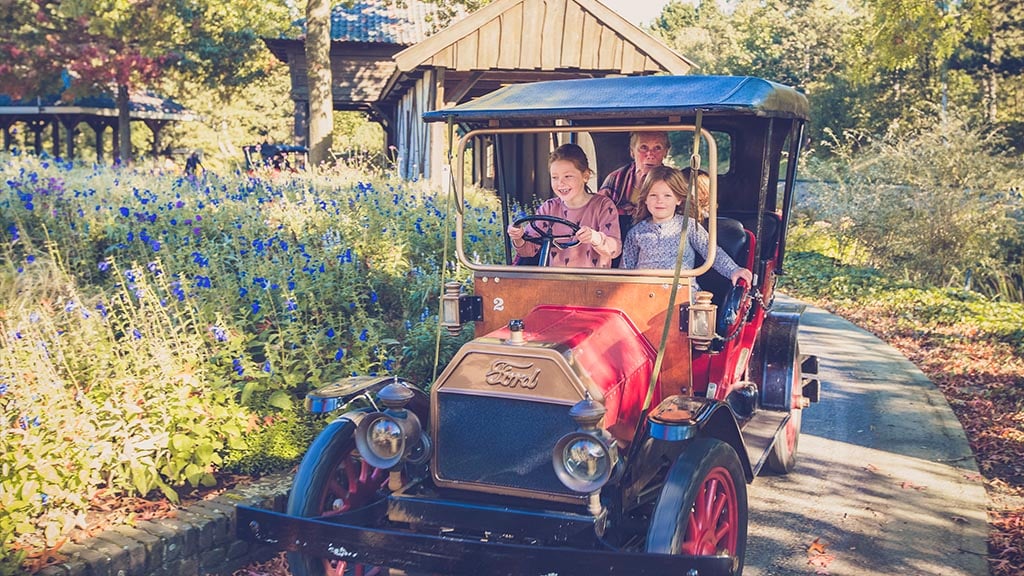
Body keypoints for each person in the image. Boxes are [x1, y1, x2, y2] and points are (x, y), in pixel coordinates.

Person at [622, 166, 752, 290]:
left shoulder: (688, 226)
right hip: (644, 294)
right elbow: (625, 269)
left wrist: (734, 270)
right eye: (653, 195)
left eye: (667, 196)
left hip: (681, 292)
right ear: (645, 199)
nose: (659, 201)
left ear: (678, 199)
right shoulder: (636, 232)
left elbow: (712, 252)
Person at [507, 143, 621, 268]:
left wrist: (595, 237)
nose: (560, 183)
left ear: (585, 176)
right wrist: (518, 237)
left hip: (593, 282)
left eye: (568, 176)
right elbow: (527, 251)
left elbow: (614, 250)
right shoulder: (549, 208)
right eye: (555, 177)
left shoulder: (603, 206)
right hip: (556, 281)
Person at [598, 131, 671, 218]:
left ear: (665, 152)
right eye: (644, 147)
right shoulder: (615, 179)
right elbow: (597, 212)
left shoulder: (672, 181)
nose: (650, 154)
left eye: (657, 148)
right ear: (632, 151)